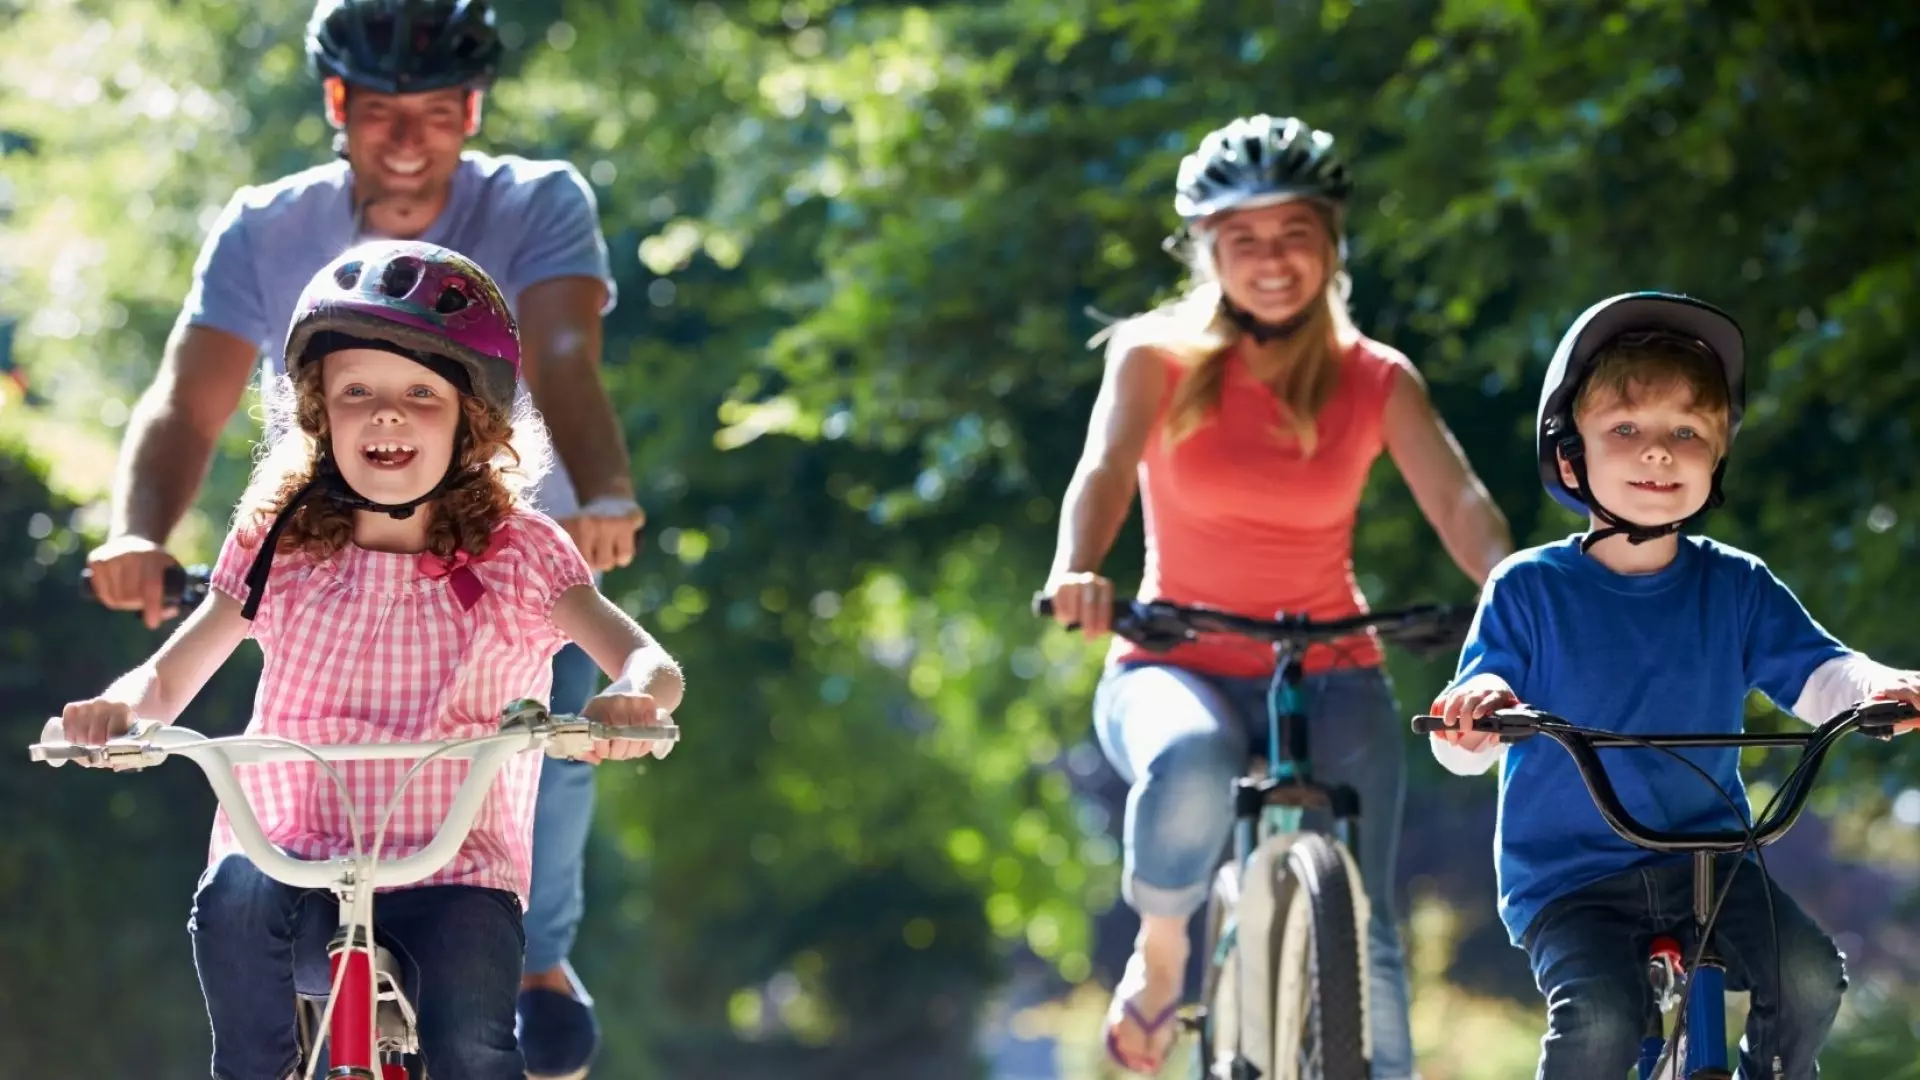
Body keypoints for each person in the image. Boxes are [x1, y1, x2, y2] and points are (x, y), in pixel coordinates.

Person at [79, 2, 639, 1074]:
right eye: (381, 111)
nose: (409, 140)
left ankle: (532, 960)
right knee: (269, 780)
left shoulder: (536, 202)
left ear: (473, 110)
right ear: (337, 105)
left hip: (493, 549)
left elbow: (564, 358)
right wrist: (137, 532)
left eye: (437, 112)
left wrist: (603, 499)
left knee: (546, 735)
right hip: (330, 539)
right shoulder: (265, 225)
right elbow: (186, 404)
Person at [1040, 114, 1514, 1078]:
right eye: (1244, 238)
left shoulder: (1377, 379)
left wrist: (1519, 601)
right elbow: (1100, 471)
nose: (1271, 259)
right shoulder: (1151, 357)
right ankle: (1164, 946)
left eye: (1295, 233)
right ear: (1207, 247)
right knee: (1191, 759)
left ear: (1331, 244)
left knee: (1370, 920)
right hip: (1175, 655)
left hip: (1332, 662)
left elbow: (1460, 503)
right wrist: (1076, 570)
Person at [1426, 291, 1920, 1079]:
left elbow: (1824, 674)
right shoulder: (1529, 589)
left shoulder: (1736, 587)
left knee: (1809, 980)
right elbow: (1471, 723)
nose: (1659, 452)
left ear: (1716, 459)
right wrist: (1477, 717)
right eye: (1626, 430)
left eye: (1686, 433)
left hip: (1713, 864)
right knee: (1598, 1024)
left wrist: (1883, 687)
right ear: (1569, 457)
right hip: (1571, 880)